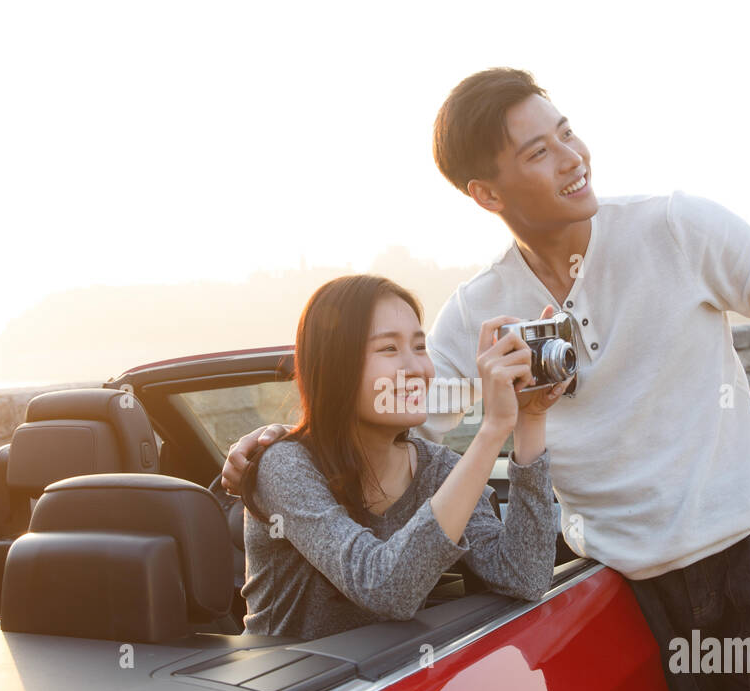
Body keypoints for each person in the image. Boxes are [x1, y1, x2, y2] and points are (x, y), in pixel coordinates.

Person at [223, 69, 750, 691]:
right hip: (625, 592)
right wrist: (277, 445)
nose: (573, 157)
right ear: (487, 193)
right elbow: (391, 413)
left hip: (749, 553)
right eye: (539, 151)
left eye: (566, 132)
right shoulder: (476, 310)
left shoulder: (674, 226)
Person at [236, 273, 569, 641]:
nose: (417, 369)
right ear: (335, 367)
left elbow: (524, 576)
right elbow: (385, 589)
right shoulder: (285, 466)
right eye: (389, 350)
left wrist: (530, 418)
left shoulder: (438, 469)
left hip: (392, 685)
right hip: (290, 689)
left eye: (420, 347)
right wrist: (492, 430)